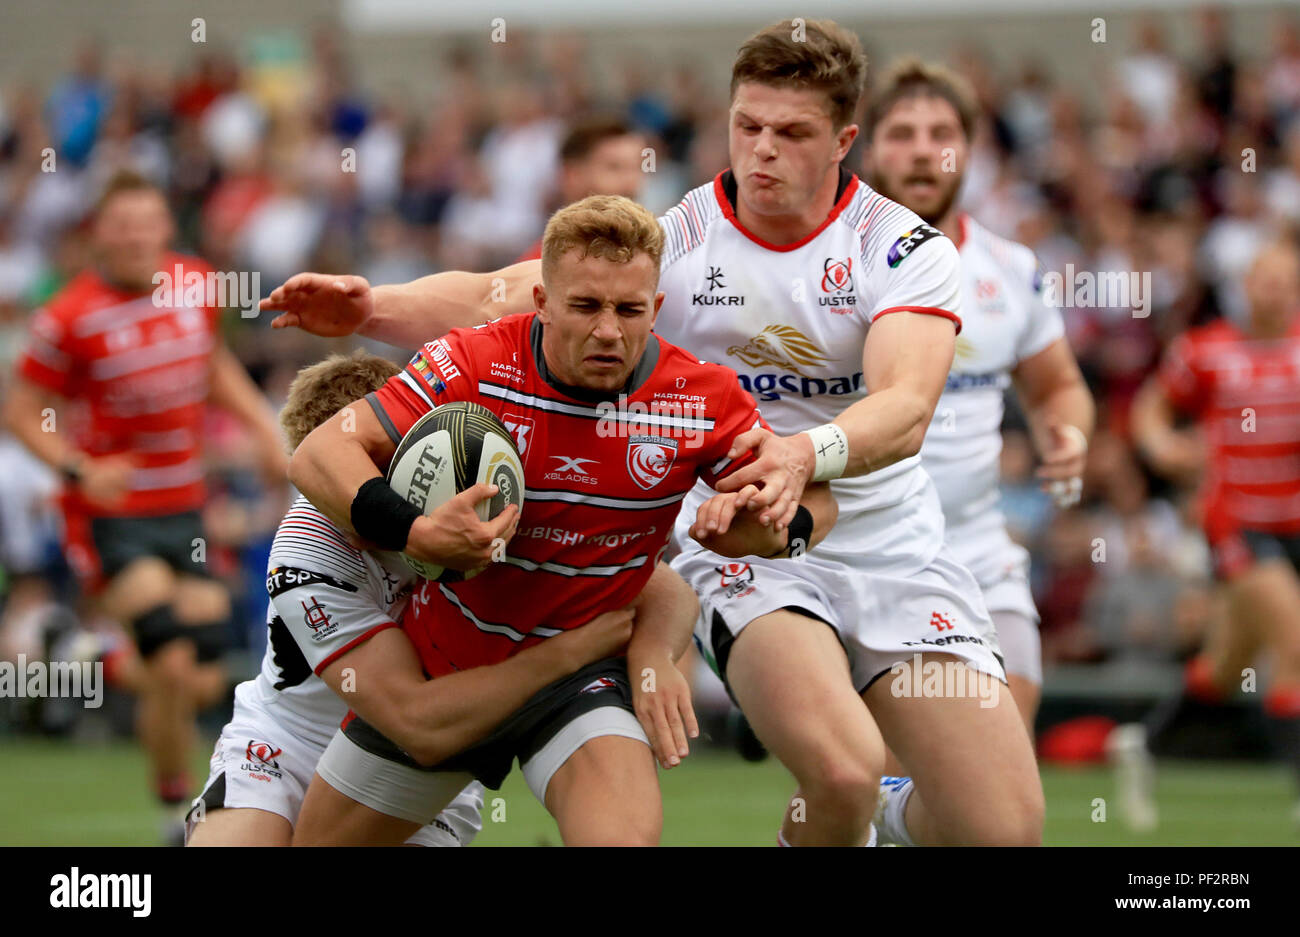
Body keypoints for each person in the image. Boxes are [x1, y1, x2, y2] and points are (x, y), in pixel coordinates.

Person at [262, 19, 1043, 847]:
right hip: (741, 542)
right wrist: (372, 307)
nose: (762, 150)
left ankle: (890, 812)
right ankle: (856, 799)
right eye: (748, 127)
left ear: (846, 140)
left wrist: (796, 454)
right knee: (841, 768)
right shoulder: (683, 238)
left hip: (885, 538)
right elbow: (517, 289)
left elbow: (906, 406)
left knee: (1001, 830)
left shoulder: (901, 249)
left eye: (792, 133)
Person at [287, 195, 837, 846]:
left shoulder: (700, 397)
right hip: (450, 666)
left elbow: (817, 501)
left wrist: (769, 525)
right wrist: (415, 531)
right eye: (586, 306)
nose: (609, 330)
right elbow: (320, 451)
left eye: (629, 310)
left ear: (656, 310)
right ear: (541, 301)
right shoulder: (473, 361)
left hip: (581, 680)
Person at [188, 350, 649, 845]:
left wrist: (658, 654)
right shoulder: (306, 550)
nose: (349, 503)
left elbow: (654, 578)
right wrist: (568, 653)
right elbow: (415, 718)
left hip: (423, 767)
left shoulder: (485, 489)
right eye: (329, 487)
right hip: (288, 745)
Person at [4, 169, 287, 838]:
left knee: (202, 675)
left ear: (167, 226)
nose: (135, 236)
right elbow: (21, 411)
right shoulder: (67, 316)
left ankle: (81, 658)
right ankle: (173, 814)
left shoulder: (195, 283)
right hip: (113, 512)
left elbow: (211, 364)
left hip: (186, 508)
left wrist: (262, 427)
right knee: (169, 656)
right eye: (120, 224)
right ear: (99, 232)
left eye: (147, 222)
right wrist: (77, 467)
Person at [861, 59, 1095, 733]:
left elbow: (1059, 387)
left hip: (978, 546)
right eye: (901, 133)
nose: (922, 150)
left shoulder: (1010, 268)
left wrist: (1069, 435)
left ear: (969, 150)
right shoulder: (838, 267)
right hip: (872, 553)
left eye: (942, 132)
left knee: (1002, 773)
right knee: (885, 778)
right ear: (869, 147)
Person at [1127, 239, 1300, 826]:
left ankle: (1141, 748)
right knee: (1295, 645)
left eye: (1286, 280)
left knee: (1225, 668)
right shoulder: (1206, 351)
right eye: (1265, 279)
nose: (1274, 290)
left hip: (1294, 522)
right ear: (1246, 285)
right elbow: (1152, 408)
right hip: (1239, 526)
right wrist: (1162, 444)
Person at [514, 115, 646, 262]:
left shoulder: (660, 261)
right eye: (614, 168)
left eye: (637, 168)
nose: (632, 184)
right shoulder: (535, 271)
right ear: (572, 175)